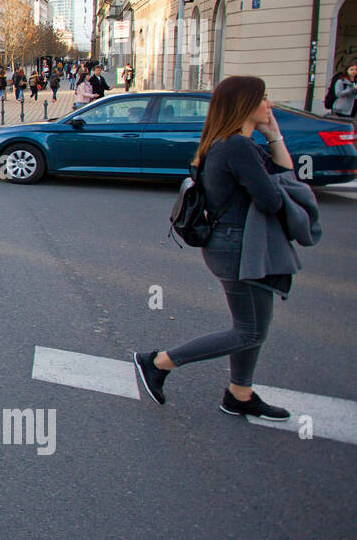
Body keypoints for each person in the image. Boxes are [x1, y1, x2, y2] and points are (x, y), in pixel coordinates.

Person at [133, 76, 314, 421]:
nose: (269, 105)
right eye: (263, 99)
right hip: (238, 247)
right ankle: (158, 362)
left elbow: (283, 173)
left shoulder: (230, 143)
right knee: (250, 330)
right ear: (245, 105)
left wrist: (274, 134)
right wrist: (274, 163)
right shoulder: (236, 147)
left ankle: (239, 394)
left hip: (235, 244)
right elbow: (274, 196)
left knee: (253, 324)